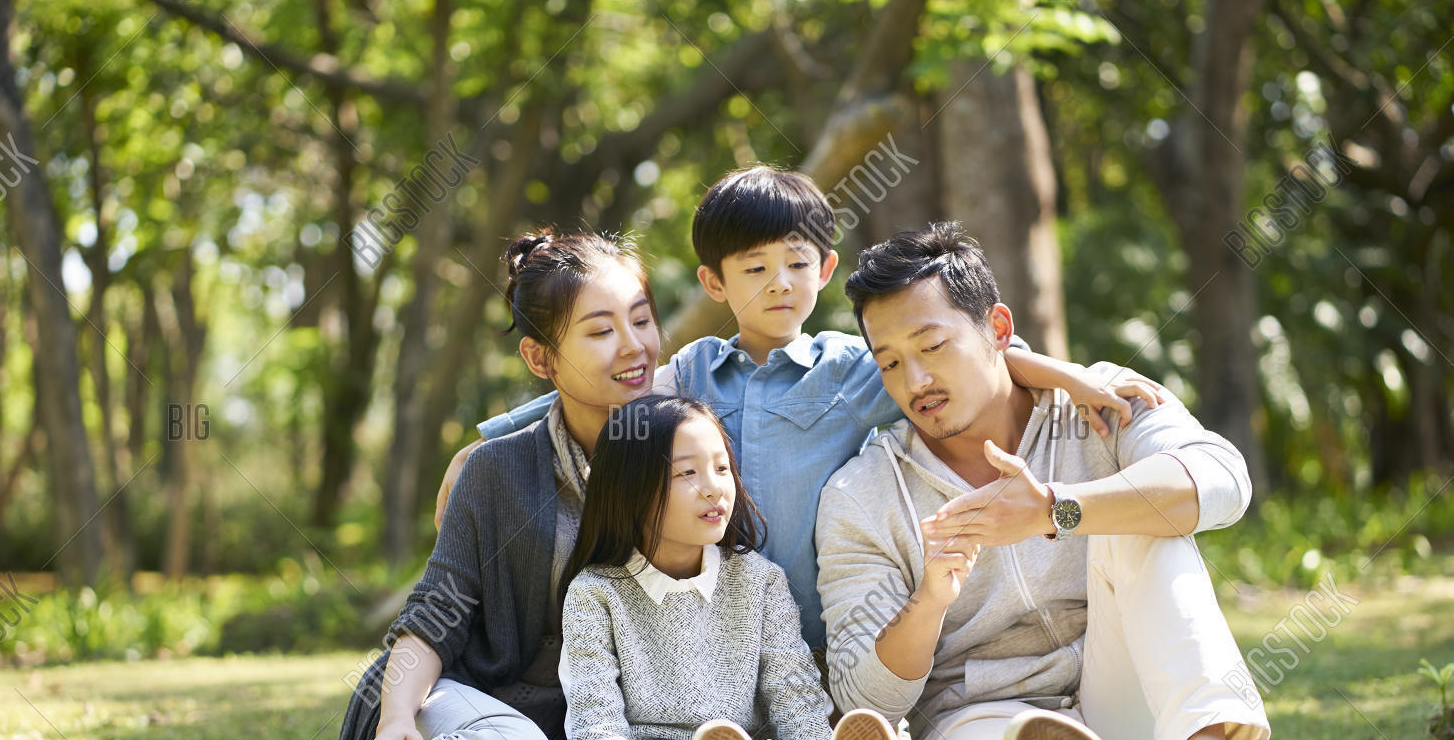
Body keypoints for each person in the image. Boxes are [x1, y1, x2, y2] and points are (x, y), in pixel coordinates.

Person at [440, 166, 1163, 658]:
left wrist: (1069, 377)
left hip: (824, 630)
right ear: (713, 283)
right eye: (753, 269)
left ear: (823, 269)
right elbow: (593, 389)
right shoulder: (692, 370)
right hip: (721, 631)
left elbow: (974, 360)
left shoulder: (864, 369)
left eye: (795, 263)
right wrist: (482, 448)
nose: (777, 284)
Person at [127, 229, 662, 740]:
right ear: (540, 358)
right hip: (452, 704)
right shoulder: (497, 469)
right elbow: (434, 612)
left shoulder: (679, 463)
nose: (635, 346)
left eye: (642, 318)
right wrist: (398, 716)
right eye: (601, 330)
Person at [816, 222, 1271, 740]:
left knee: (1142, 511)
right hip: (973, 731)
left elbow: (1223, 481)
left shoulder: (1101, 405)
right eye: (888, 362)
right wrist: (929, 602)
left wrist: (1057, 508)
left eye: (933, 345)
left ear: (999, 328)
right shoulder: (863, 493)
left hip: (1129, 712)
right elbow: (864, 697)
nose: (915, 380)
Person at [558, 394, 902, 740]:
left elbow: (796, 701)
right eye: (686, 474)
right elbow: (598, 721)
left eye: (721, 467)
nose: (713, 488)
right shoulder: (596, 594)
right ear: (630, 488)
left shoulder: (759, 581)